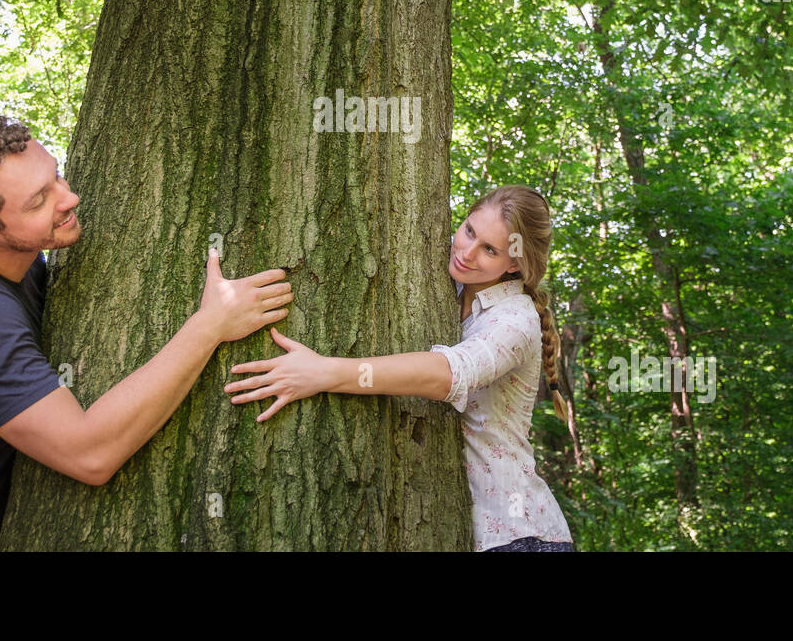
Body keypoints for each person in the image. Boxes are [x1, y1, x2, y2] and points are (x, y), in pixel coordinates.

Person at [0, 115, 293, 550]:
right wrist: (209, 324)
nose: (70, 198)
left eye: (56, 175)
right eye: (40, 200)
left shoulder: (20, 267)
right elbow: (90, 455)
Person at [224, 184, 575, 551]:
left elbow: (450, 374)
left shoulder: (516, 319)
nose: (467, 253)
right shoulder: (450, 284)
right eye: (469, 230)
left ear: (515, 262)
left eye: (490, 249)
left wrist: (323, 372)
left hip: (519, 535)